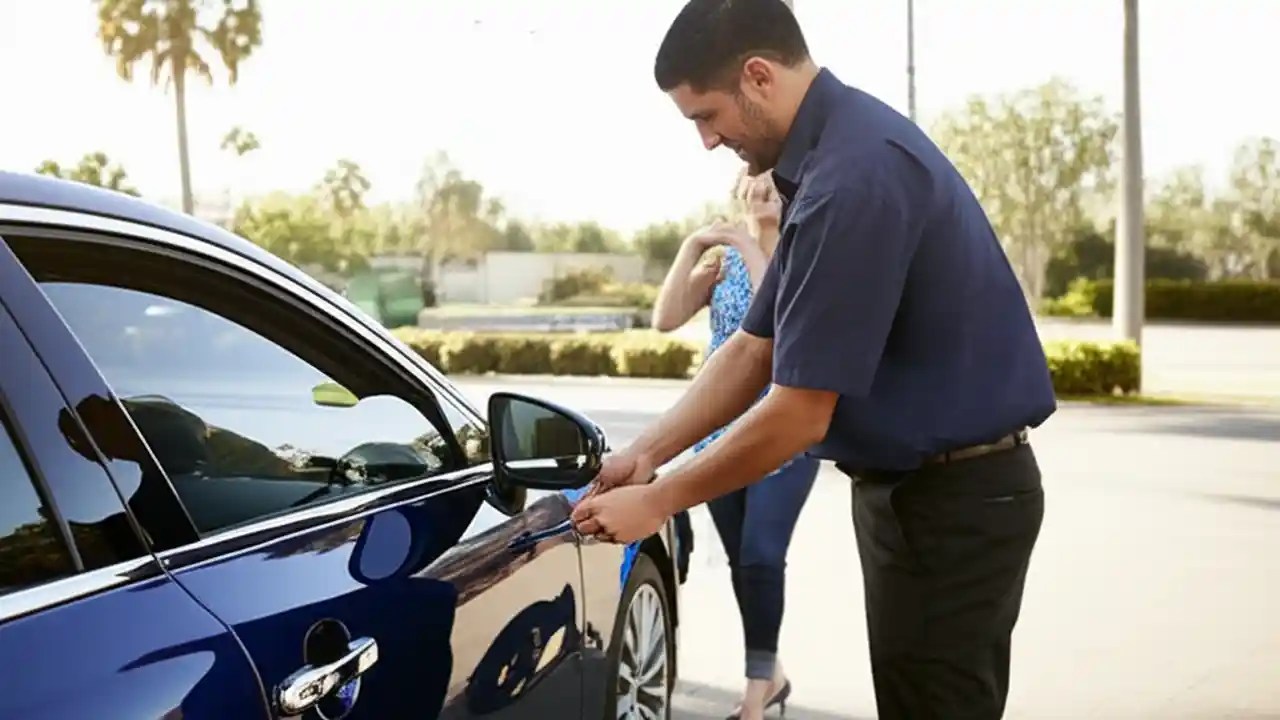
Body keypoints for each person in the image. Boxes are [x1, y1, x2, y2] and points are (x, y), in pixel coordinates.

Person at [570, 0, 1057, 717]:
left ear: (758, 77)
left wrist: (661, 501)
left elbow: (798, 413)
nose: (707, 141)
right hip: (919, 495)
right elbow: (754, 349)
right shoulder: (831, 157)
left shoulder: (854, 177)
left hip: (955, 503)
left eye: (706, 116)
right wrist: (646, 454)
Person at [651, 169, 817, 719]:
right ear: (738, 191)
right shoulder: (721, 267)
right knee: (744, 564)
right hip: (721, 437)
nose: (764, 187)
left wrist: (747, 240)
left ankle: (753, 699)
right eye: (753, 180)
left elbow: (774, 315)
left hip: (782, 431)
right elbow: (665, 318)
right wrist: (691, 247)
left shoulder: (800, 252)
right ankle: (772, 675)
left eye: (774, 180)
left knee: (763, 556)